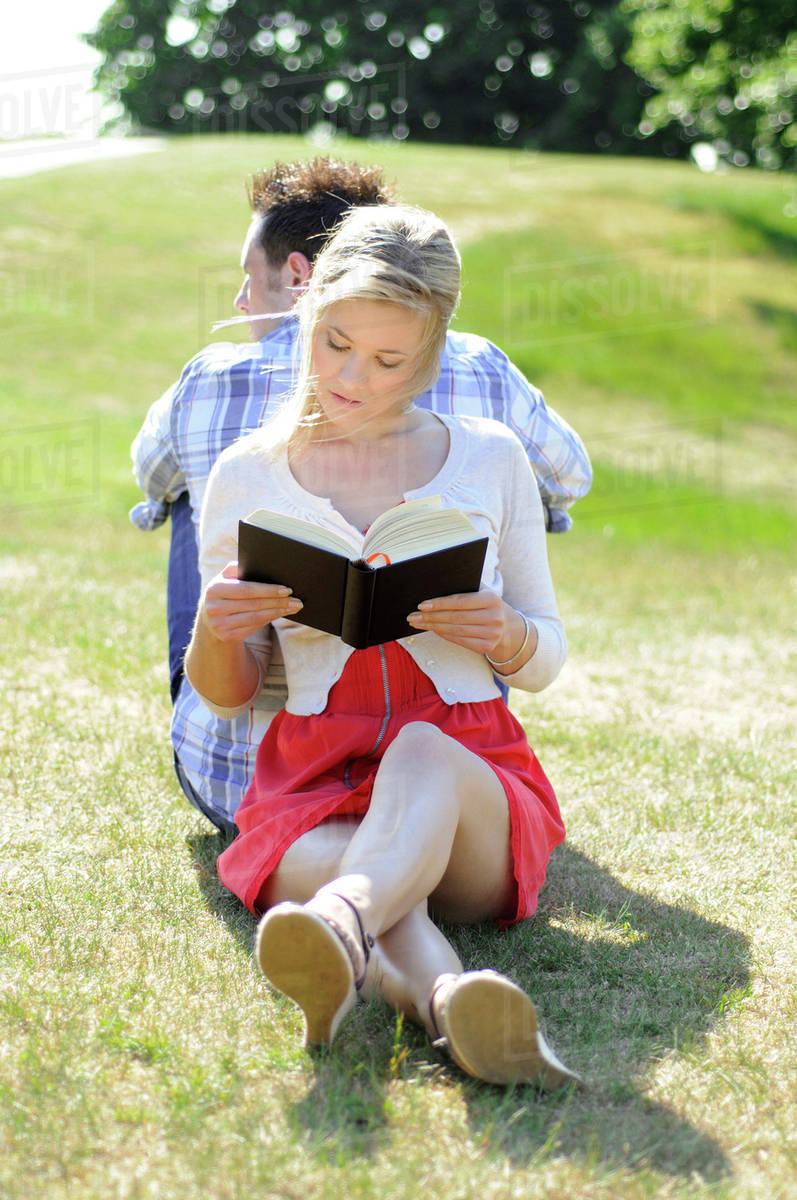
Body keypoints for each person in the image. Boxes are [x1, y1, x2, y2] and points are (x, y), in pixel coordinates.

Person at [183, 203, 579, 1088]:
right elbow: (227, 692)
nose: (351, 377)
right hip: (311, 787)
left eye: (388, 359)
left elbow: (547, 656)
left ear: (433, 351)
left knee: (421, 749)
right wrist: (219, 628)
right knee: (371, 876)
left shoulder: (488, 456)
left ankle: (340, 923)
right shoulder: (247, 472)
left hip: (466, 774)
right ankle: (445, 1001)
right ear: (308, 309)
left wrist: (508, 636)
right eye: (334, 343)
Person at [131, 157, 592, 835]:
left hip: (291, 765)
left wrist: (502, 618)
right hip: (298, 758)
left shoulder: (207, 379)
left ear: (295, 278)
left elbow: (151, 476)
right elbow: (568, 478)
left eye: (247, 281)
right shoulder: (484, 367)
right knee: (222, 516)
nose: (238, 304)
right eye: (336, 343)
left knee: (177, 497)